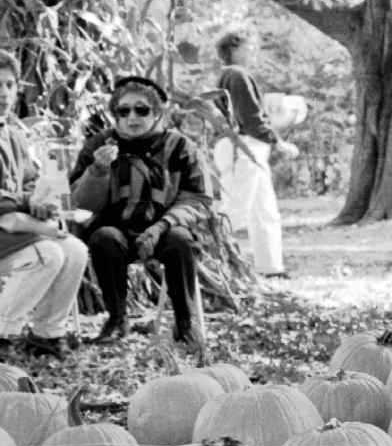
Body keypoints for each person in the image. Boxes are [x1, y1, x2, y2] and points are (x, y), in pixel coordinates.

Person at [69, 76, 212, 345]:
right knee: (104, 238)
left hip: (167, 228)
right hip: (116, 230)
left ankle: (185, 322)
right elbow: (81, 205)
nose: (132, 117)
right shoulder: (98, 146)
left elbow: (198, 200)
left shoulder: (180, 147)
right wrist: (97, 171)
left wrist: (161, 226)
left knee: (180, 241)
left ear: (157, 113)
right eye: (123, 111)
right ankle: (117, 319)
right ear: (115, 114)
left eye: (141, 110)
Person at [0, 51, 88, 358]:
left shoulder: (13, 134)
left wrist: (44, 199)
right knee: (45, 254)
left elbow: (30, 181)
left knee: (75, 250)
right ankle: (2, 333)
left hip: (11, 226)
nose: (3, 93)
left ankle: (46, 334)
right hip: (4, 225)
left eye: (9, 85)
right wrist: (27, 200)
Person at [211, 31, 296, 279]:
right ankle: (211, 262)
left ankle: (271, 267)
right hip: (243, 145)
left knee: (264, 209)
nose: (254, 52)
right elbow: (250, 116)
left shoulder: (232, 75)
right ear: (235, 48)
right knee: (235, 207)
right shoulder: (236, 74)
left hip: (250, 146)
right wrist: (277, 142)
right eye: (250, 47)